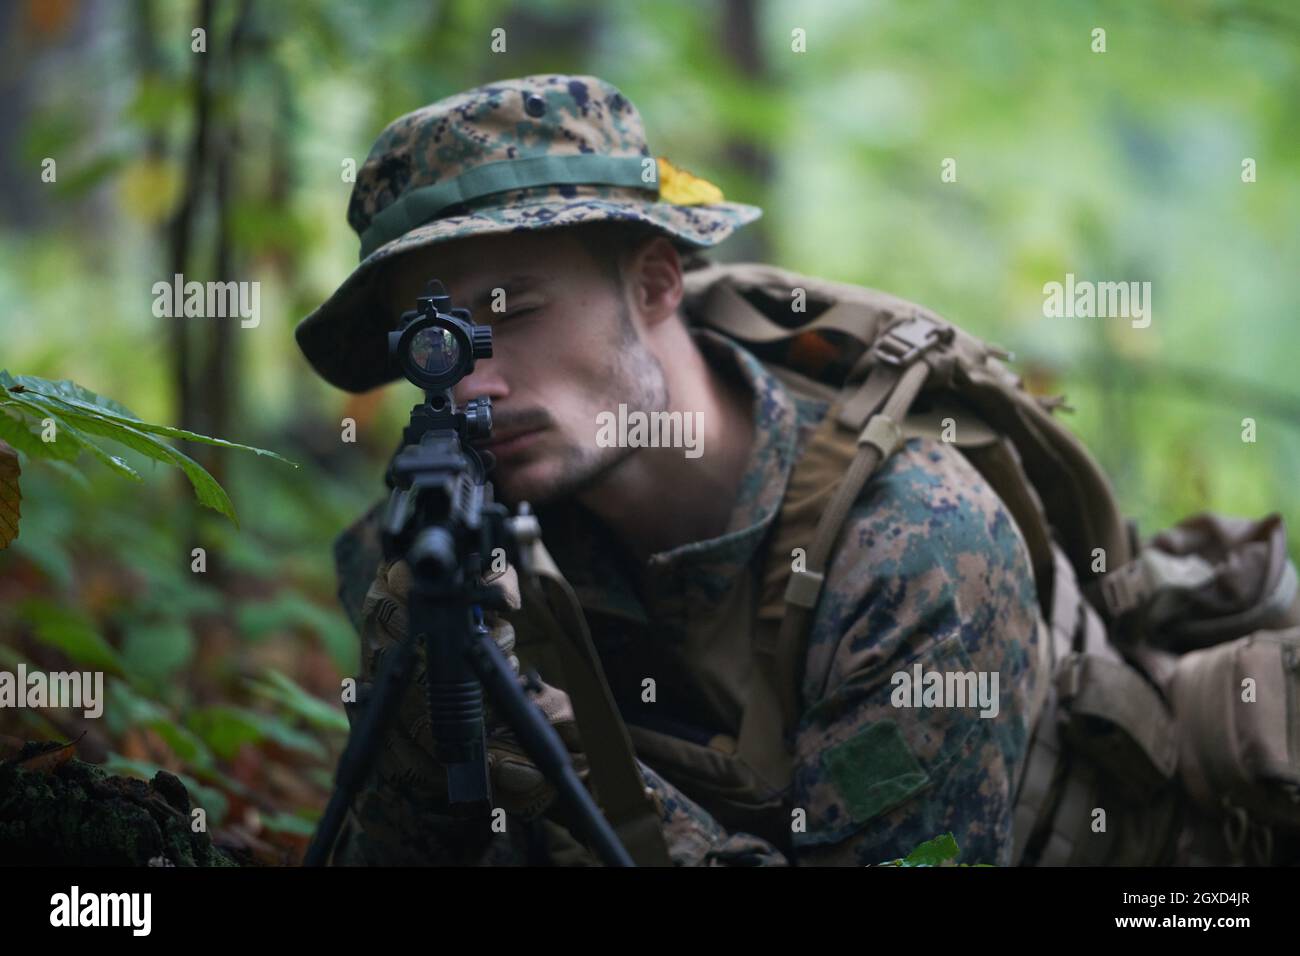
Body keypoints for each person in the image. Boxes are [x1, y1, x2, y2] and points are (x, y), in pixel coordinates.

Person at [296, 74, 1045, 866]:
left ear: (654, 283)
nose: (474, 382)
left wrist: (563, 762)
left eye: (512, 309)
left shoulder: (915, 548)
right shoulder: (449, 544)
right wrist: (418, 771)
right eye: (434, 342)